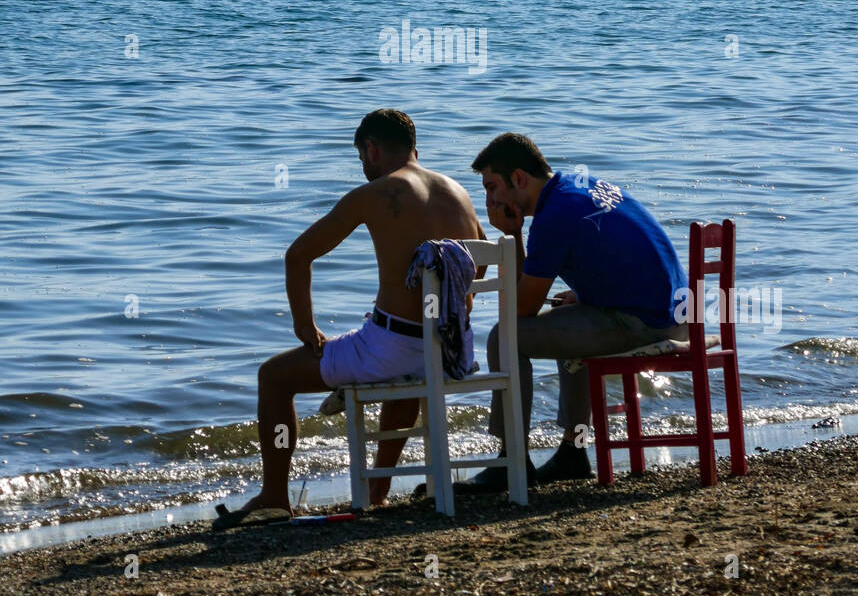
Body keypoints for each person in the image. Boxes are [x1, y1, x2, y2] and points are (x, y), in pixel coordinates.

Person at [213, 109, 484, 527]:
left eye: (362, 159)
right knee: (402, 355)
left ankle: (274, 497)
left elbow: (297, 255)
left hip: (392, 348)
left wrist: (305, 326)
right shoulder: (457, 191)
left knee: (274, 377)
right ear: (415, 148)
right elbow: (479, 266)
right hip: (447, 349)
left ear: (371, 150)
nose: (363, 168)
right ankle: (377, 489)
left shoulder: (377, 192)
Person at [466, 132, 688, 489]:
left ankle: (511, 460)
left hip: (646, 324)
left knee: (504, 337)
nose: (489, 200)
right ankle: (573, 450)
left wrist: (511, 236)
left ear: (519, 178)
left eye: (492, 187)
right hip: (673, 316)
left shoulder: (553, 215)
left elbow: (520, 310)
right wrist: (586, 293)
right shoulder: (579, 187)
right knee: (564, 325)